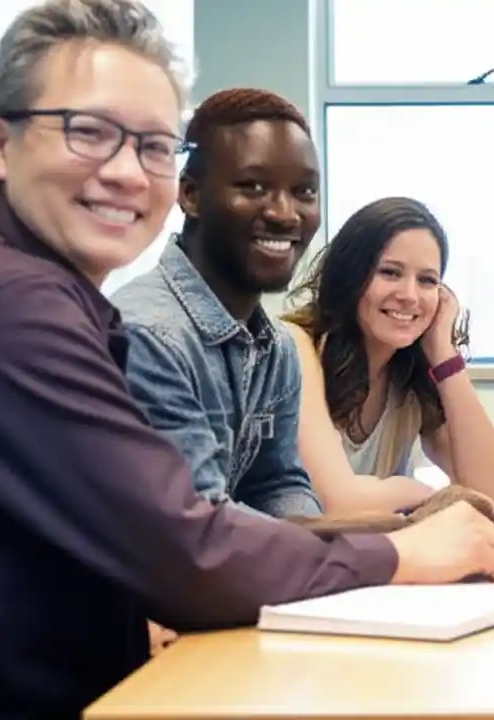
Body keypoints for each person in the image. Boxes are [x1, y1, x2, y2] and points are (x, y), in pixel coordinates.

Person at [0, 3, 494, 718]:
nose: (126, 174)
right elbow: (185, 548)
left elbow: (238, 510)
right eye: (88, 133)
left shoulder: (25, 285)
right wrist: (402, 553)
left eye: (153, 147)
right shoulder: (3, 305)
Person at [113, 87, 324, 518]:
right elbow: (197, 524)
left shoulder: (276, 348)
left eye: (304, 192)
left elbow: (276, 483)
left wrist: (338, 545)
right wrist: (387, 546)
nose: (285, 213)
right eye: (253, 186)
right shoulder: (147, 337)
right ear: (190, 195)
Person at [281, 197, 494, 514]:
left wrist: (443, 353)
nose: (409, 296)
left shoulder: (412, 371)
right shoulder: (295, 346)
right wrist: (428, 493)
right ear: (351, 275)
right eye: (390, 273)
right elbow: (339, 504)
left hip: (379, 556)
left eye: (427, 280)